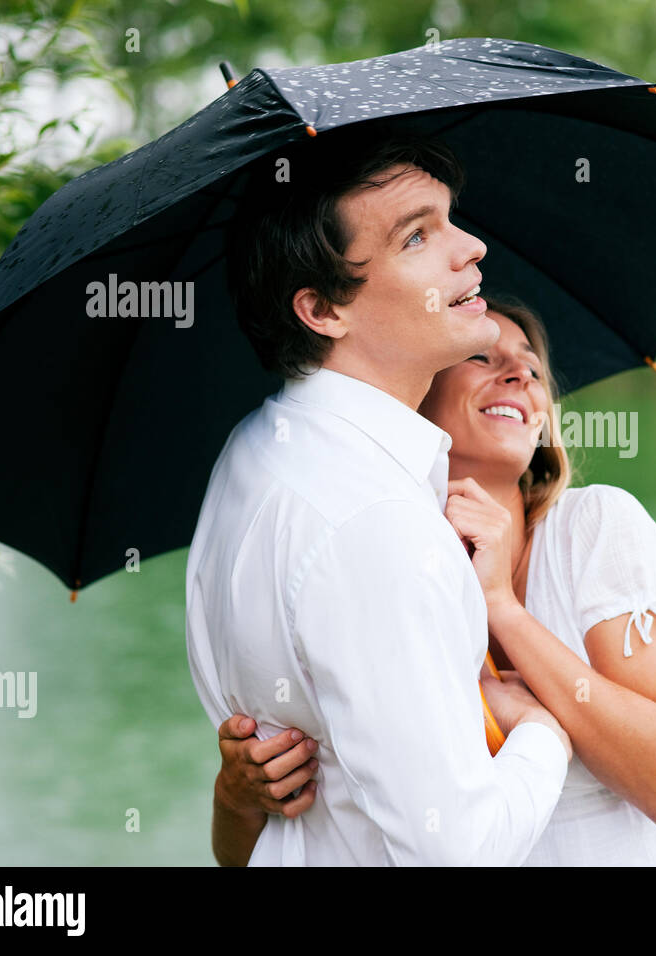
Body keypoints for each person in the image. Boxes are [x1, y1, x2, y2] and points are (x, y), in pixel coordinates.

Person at [212, 296, 656, 866]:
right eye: (483, 357)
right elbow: (257, 855)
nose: (518, 374)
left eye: (533, 370)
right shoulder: (368, 561)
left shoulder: (596, 529)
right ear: (419, 390)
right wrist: (234, 800)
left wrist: (502, 607)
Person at [186, 131, 574, 867]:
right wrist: (546, 731)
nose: (472, 248)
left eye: (450, 217)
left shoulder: (250, 452)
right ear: (323, 309)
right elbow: (459, 852)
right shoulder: (377, 526)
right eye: (417, 235)